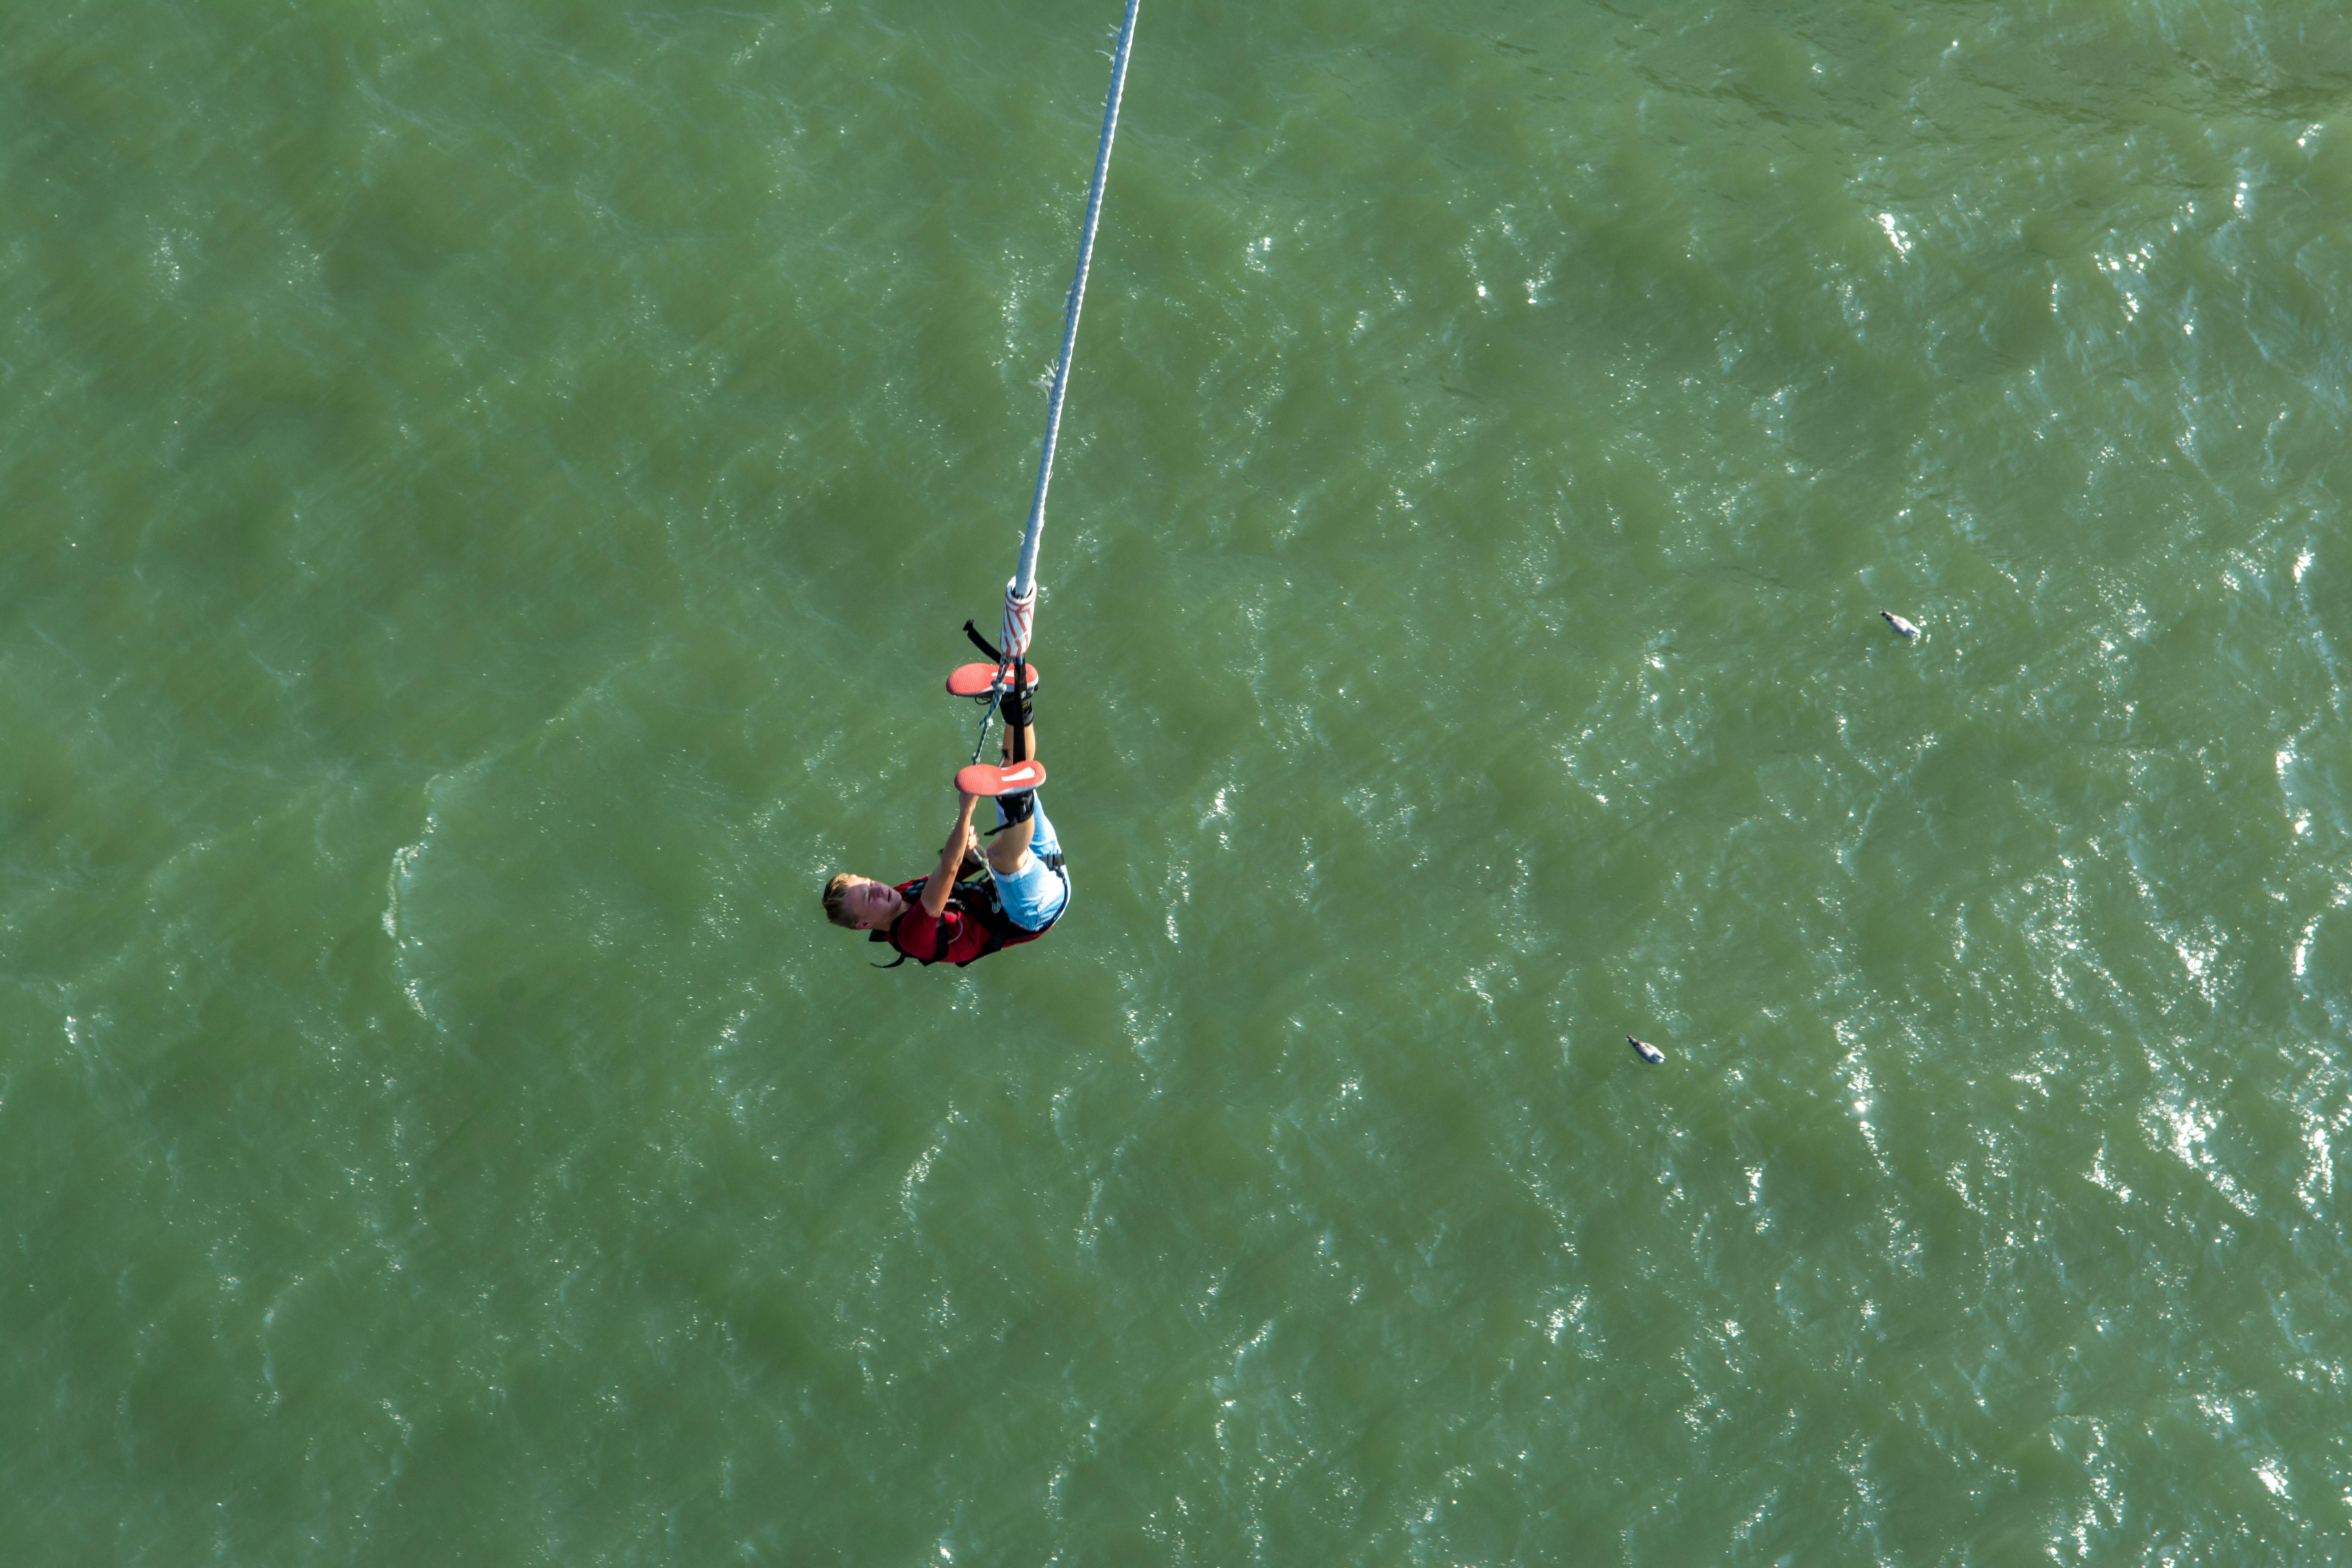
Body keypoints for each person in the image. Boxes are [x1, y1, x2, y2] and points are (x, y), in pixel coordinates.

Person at [822, 677, 1068, 966]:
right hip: (1033, 909)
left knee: (1009, 776)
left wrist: (969, 852)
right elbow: (947, 870)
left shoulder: (900, 895)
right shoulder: (912, 936)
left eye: (867, 882)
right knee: (1001, 850)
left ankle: (1018, 699)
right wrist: (966, 812)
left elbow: (959, 868)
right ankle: (1018, 797)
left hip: (1041, 861)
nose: (876, 887)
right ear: (864, 924)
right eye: (867, 897)